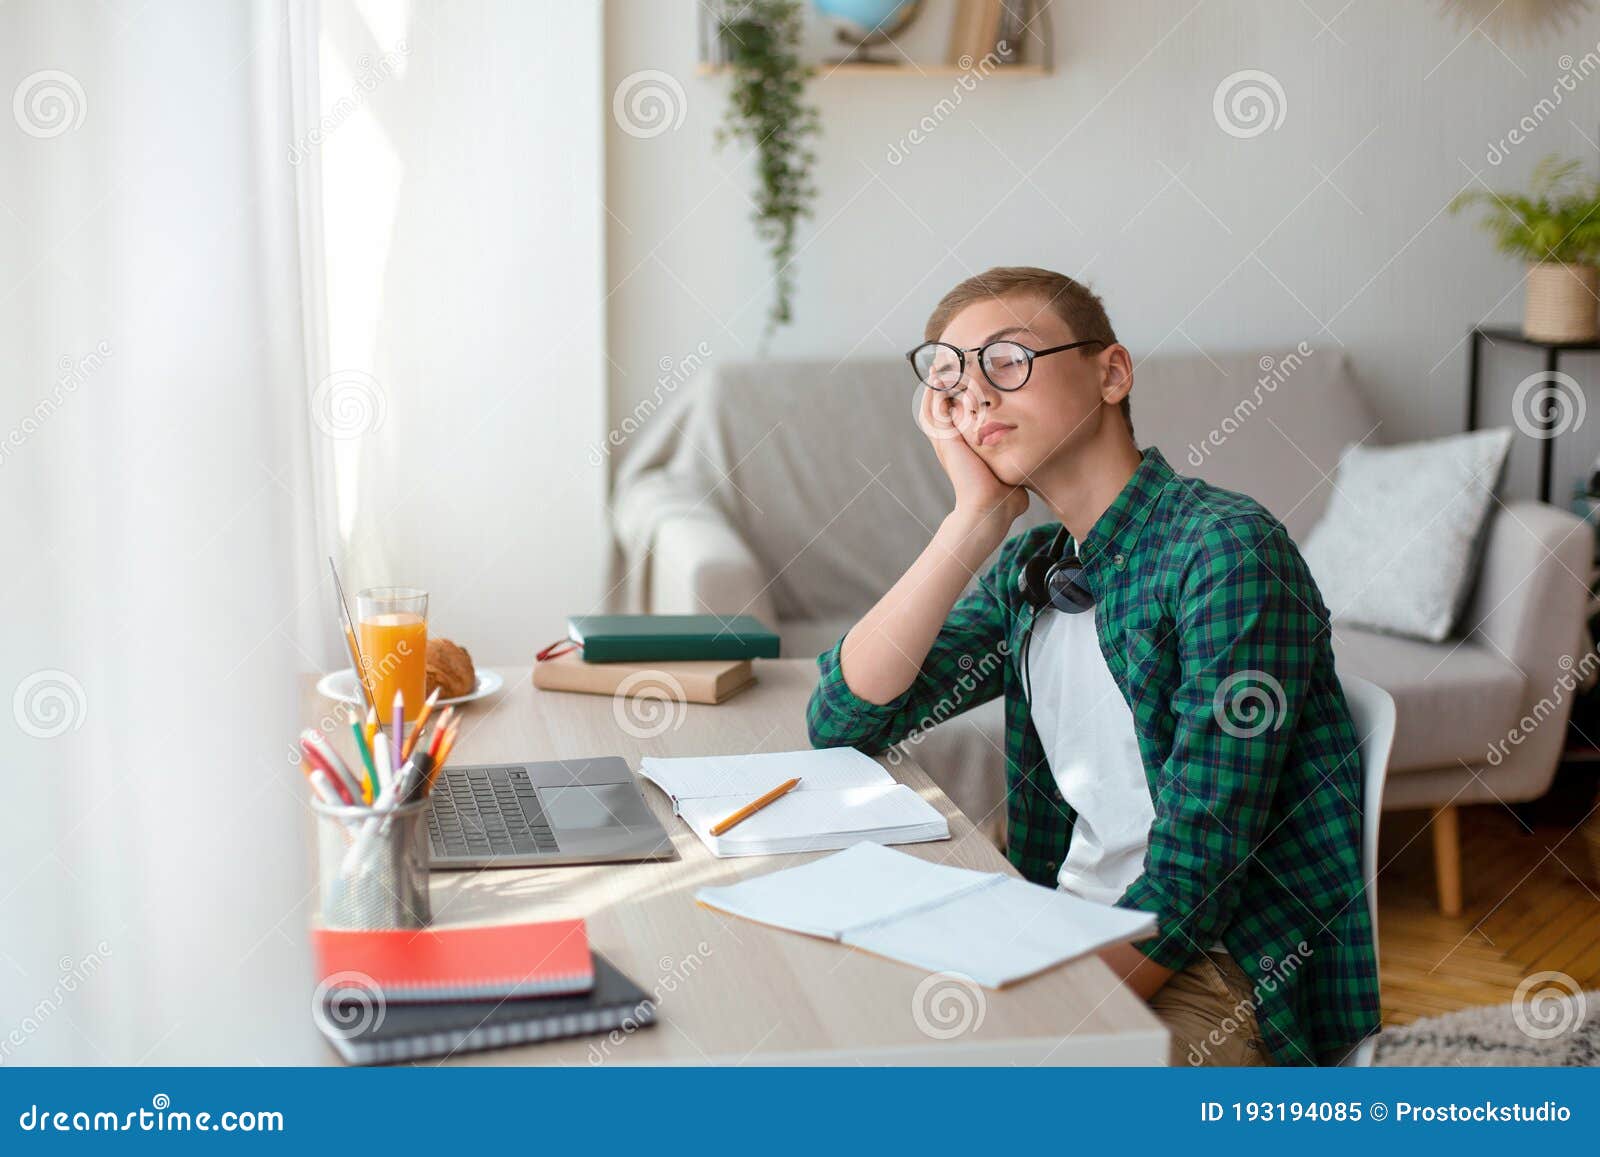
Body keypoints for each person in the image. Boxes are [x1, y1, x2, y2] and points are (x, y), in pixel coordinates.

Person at [805, 266, 1379, 1066]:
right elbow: (845, 719)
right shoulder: (1035, 568)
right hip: (1061, 924)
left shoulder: (1224, 552)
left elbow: (1196, 880)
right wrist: (973, 519)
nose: (977, 395)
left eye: (1007, 360)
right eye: (952, 382)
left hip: (1209, 971)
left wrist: (1046, 1010)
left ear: (1111, 373)